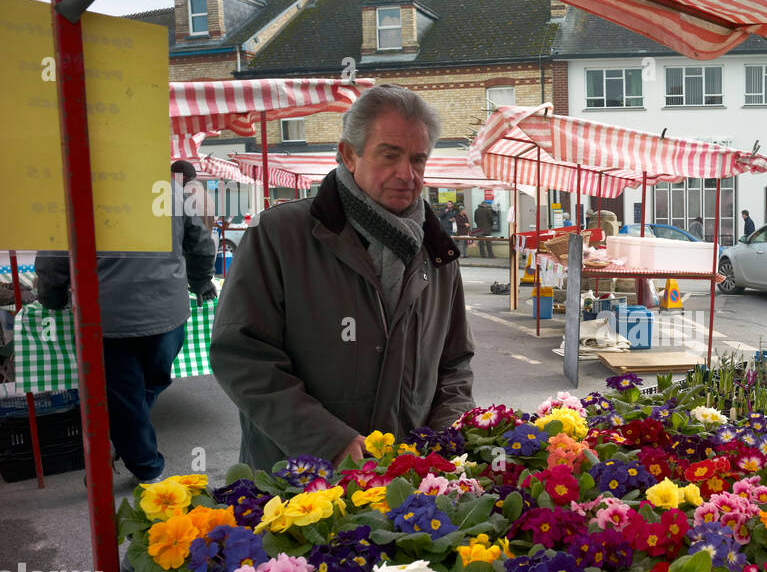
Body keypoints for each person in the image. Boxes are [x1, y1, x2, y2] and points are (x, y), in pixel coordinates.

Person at [210, 84, 474, 469]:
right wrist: (326, 440)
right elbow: (241, 355)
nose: (407, 174)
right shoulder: (279, 235)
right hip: (298, 481)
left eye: (418, 159)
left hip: (406, 484)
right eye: (390, 155)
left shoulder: (437, 251)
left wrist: (443, 436)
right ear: (349, 154)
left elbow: (456, 363)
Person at [35, 160, 217, 484]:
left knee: (125, 396)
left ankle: (144, 464)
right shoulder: (171, 192)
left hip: (107, 318)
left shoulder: (78, 196)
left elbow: (53, 260)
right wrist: (202, 282)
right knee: (147, 385)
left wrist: (52, 298)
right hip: (167, 313)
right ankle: (139, 454)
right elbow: (201, 245)